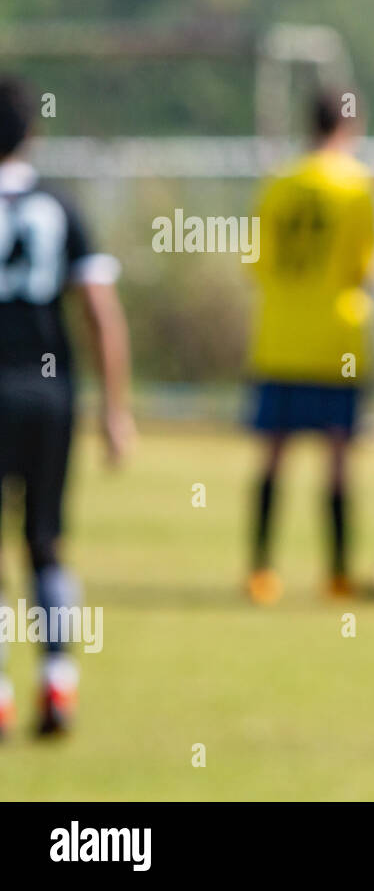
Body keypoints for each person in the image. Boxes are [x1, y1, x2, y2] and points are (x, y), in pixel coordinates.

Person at [0, 75, 135, 737]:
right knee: (46, 542)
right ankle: (58, 682)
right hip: (50, 396)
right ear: (34, 131)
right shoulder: (60, 203)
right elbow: (102, 314)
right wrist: (116, 409)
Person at [245, 91, 374, 604]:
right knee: (339, 459)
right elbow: (365, 267)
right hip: (335, 341)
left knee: (273, 457)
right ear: (351, 125)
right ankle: (338, 574)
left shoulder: (278, 182)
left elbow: (256, 263)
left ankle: (260, 571)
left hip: (279, 338)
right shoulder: (357, 186)